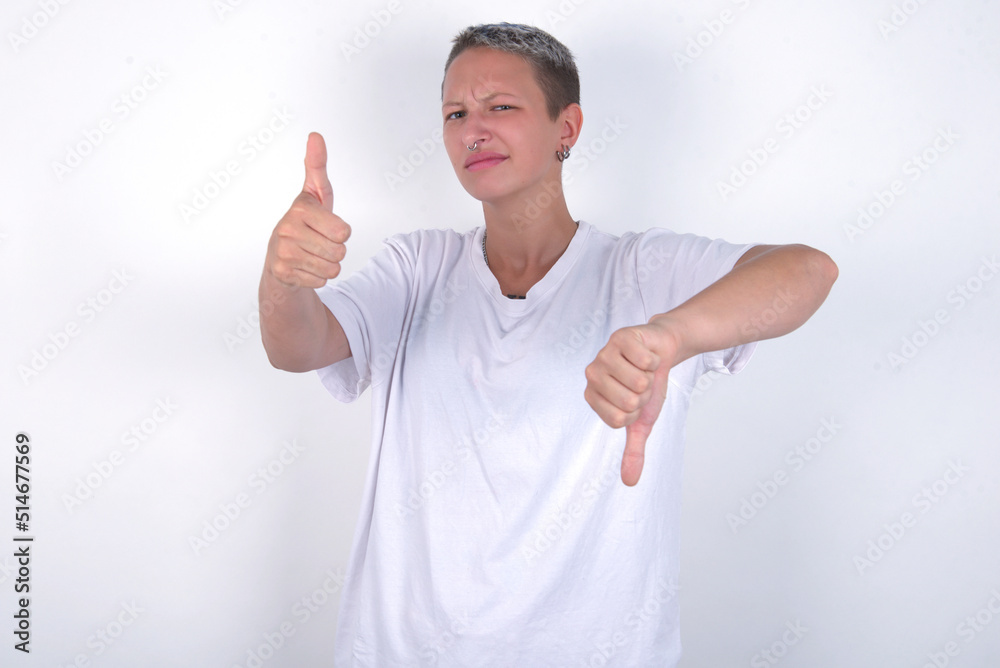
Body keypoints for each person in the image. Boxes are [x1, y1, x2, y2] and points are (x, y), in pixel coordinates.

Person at [258, 22, 837, 668]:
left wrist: (670, 336)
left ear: (567, 128)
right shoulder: (417, 268)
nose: (473, 129)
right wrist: (283, 278)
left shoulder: (643, 272)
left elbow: (809, 272)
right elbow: (297, 344)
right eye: (456, 113)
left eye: (500, 106)